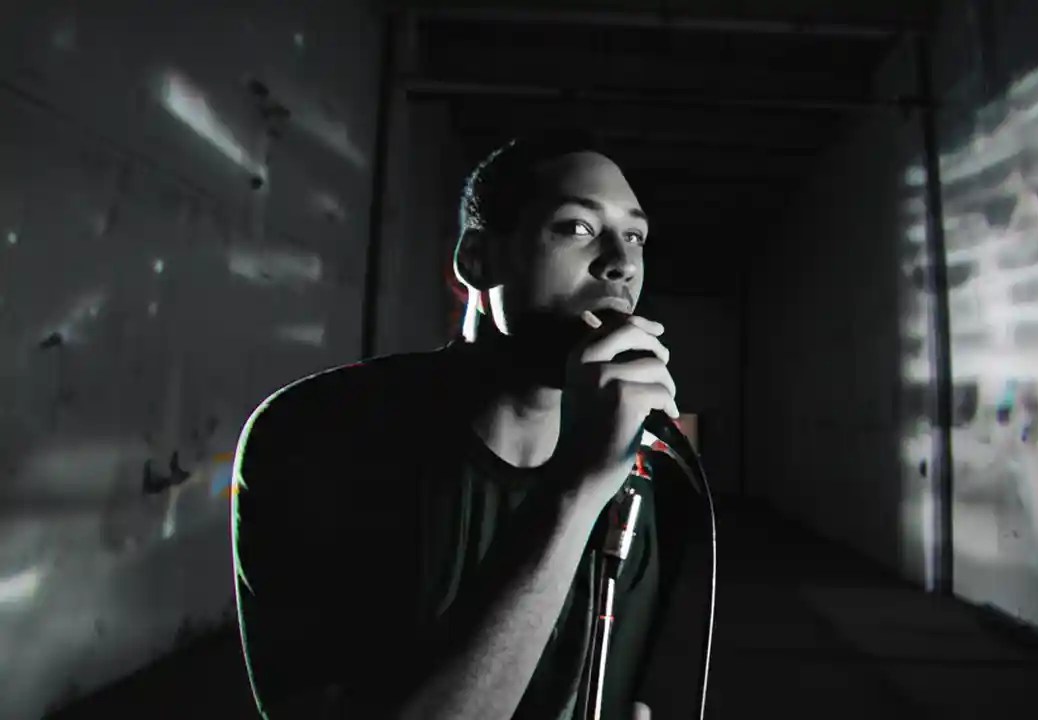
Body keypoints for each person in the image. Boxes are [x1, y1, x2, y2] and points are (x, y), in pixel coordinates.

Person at [231, 131, 711, 720]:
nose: (620, 264)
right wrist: (577, 488)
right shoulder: (317, 433)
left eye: (634, 236)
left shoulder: (653, 467)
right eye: (577, 228)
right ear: (476, 261)